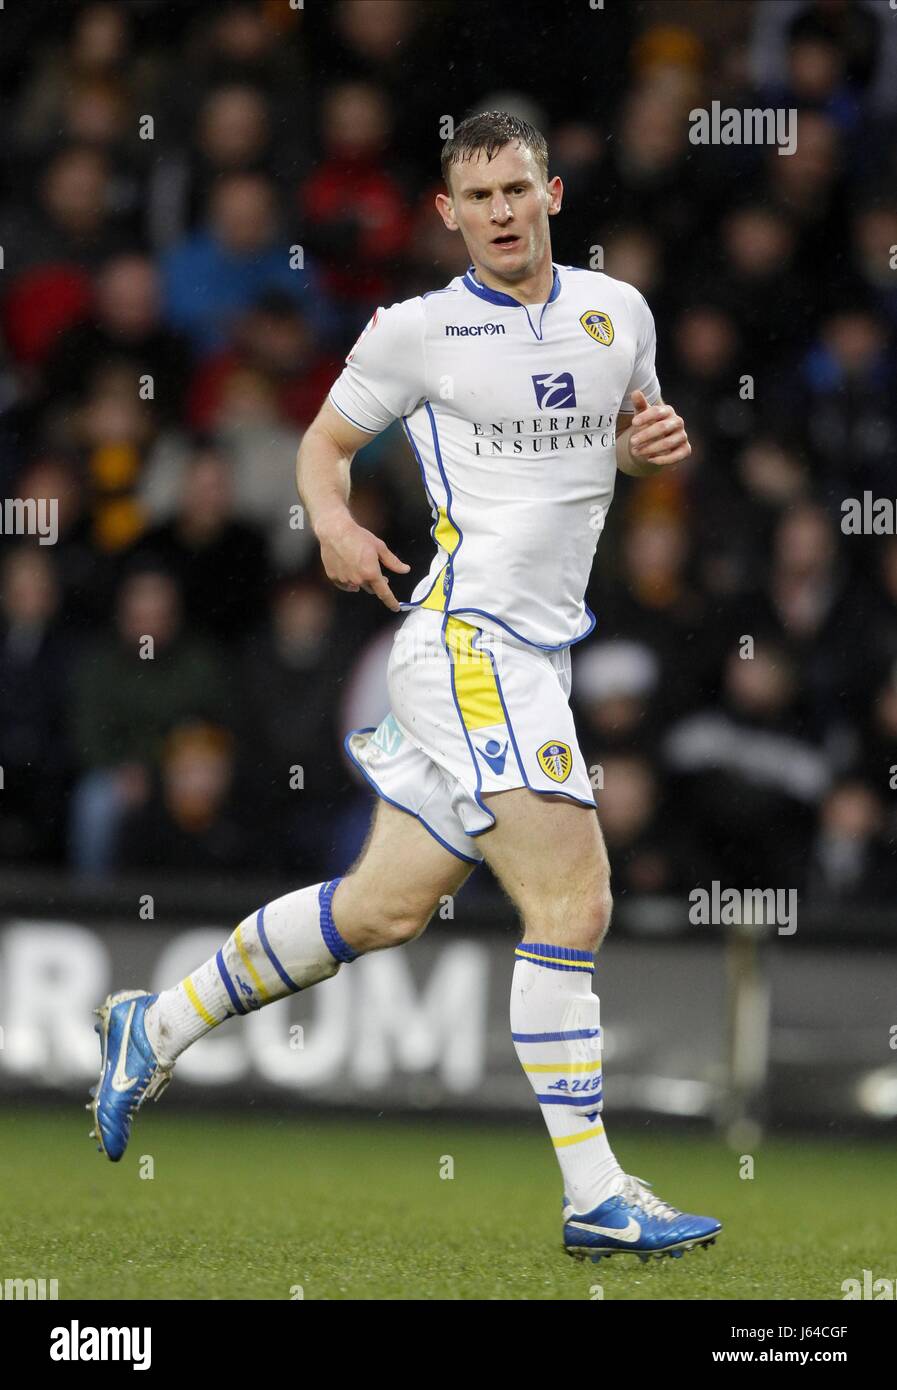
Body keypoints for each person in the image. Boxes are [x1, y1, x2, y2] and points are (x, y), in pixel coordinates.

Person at [89, 111, 720, 1263]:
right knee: (573, 902)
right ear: (447, 212)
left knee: (380, 909)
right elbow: (321, 447)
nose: (500, 212)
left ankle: (155, 1022)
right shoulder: (414, 333)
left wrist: (648, 445)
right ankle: (595, 1192)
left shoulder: (616, 314)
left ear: (554, 193)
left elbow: (613, 442)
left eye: (517, 189)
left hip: (534, 648)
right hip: (468, 641)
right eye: (476, 196)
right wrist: (330, 521)